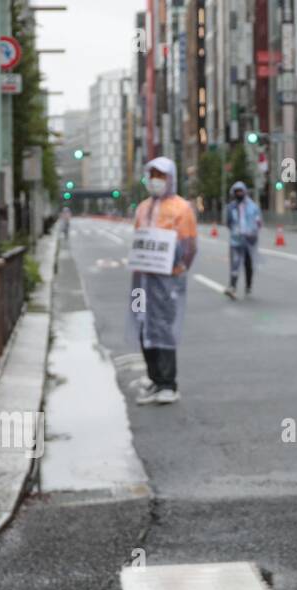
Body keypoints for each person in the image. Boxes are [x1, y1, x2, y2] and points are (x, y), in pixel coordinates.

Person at [127, 157, 197, 406]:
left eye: (161, 175)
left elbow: (189, 246)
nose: (155, 180)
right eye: (152, 174)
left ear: (170, 178)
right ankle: (155, 378)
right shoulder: (143, 208)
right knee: (144, 327)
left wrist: (177, 266)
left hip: (168, 280)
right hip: (143, 279)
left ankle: (169, 383)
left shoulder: (182, 208)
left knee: (164, 329)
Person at [223, 180, 261, 299]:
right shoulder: (230, 207)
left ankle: (248, 286)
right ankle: (232, 287)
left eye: (240, 191)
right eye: (236, 192)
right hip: (236, 240)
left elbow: (258, 222)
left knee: (248, 264)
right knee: (234, 263)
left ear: (245, 192)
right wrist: (235, 232)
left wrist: (252, 232)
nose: (238, 193)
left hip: (249, 240)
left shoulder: (253, 206)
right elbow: (228, 223)